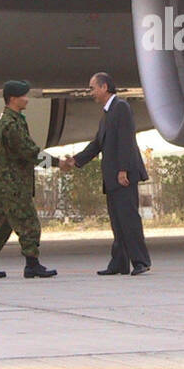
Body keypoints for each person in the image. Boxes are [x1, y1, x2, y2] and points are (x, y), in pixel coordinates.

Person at [66, 72, 152, 275]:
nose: (91, 92)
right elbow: (97, 144)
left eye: (92, 88)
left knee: (129, 219)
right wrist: (75, 160)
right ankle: (119, 263)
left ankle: (141, 261)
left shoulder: (121, 107)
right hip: (112, 177)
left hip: (123, 176)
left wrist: (123, 169)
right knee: (118, 221)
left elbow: (126, 139)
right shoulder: (107, 113)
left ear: (104, 87)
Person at [0, 80, 60, 279]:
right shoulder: (10, 124)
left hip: (7, 184)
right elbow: (29, 152)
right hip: (14, 185)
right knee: (29, 223)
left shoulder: (12, 119)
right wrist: (57, 163)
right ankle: (32, 265)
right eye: (23, 95)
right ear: (13, 99)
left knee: (1, 224)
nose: (26, 99)